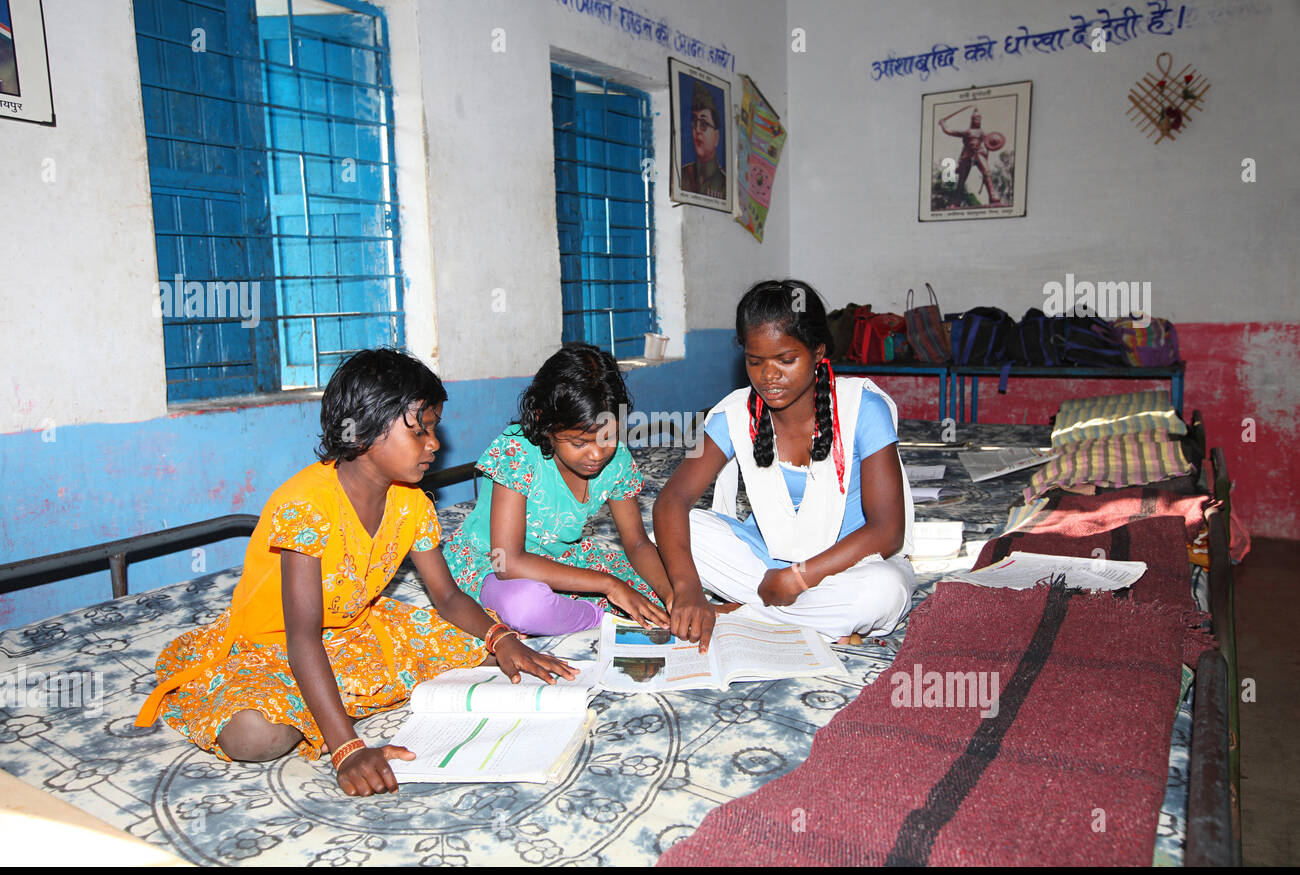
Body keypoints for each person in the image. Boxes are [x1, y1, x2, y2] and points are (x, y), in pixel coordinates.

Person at [135, 349, 576, 797]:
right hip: (274, 645)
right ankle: (328, 706)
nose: (435, 444)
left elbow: (446, 597)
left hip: (352, 630)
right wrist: (346, 747)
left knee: (490, 647)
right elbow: (302, 635)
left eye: (434, 429)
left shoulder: (411, 503)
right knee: (255, 736)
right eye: (420, 429)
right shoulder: (307, 506)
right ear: (365, 430)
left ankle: (332, 696)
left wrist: (502, 639)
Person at [653, 279, 916, 649]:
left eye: (786, 360)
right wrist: (687, 588)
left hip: (847, 568)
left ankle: (743, 614)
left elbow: (888, 531)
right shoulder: (732, 414)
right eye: (755, 361)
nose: (769, 375)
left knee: (884, 592)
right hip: (765, 566)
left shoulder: (862, 409)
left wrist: (799, 578)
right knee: (671, 537)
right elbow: (672, 499)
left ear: (818, 351)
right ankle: (815, 622)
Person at [443, 343, 672, 636]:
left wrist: (669, 594)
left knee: (656, 594)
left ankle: (570, 610)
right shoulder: (519, 452)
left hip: (561, 561)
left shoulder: (618, 462)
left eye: (609, 437)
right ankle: (599, 618)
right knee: (525, 607)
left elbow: (638, 543)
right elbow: (508, 563)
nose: (597, 454)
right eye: (579, 443)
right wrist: (608, 584)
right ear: (544, 422)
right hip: (491, 562)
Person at [939, 106, 999, 204]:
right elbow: (950, 131)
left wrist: (993, 142)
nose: (977, 121)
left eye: (979, 119)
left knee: (986, 173)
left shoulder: (982, 132)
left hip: (979, 153)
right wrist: (943, 124)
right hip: (967, 155)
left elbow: (991, 140)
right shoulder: (967, 132)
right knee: (962, 179)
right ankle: (957, 201)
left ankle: (993, 195)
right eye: (976, 119)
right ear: (972, 120)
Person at [680, 80, 726, 200]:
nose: (697, 130)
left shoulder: (724, 185)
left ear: (716, 137)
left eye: (704, 124)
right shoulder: (683, 175)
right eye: (694, 123)